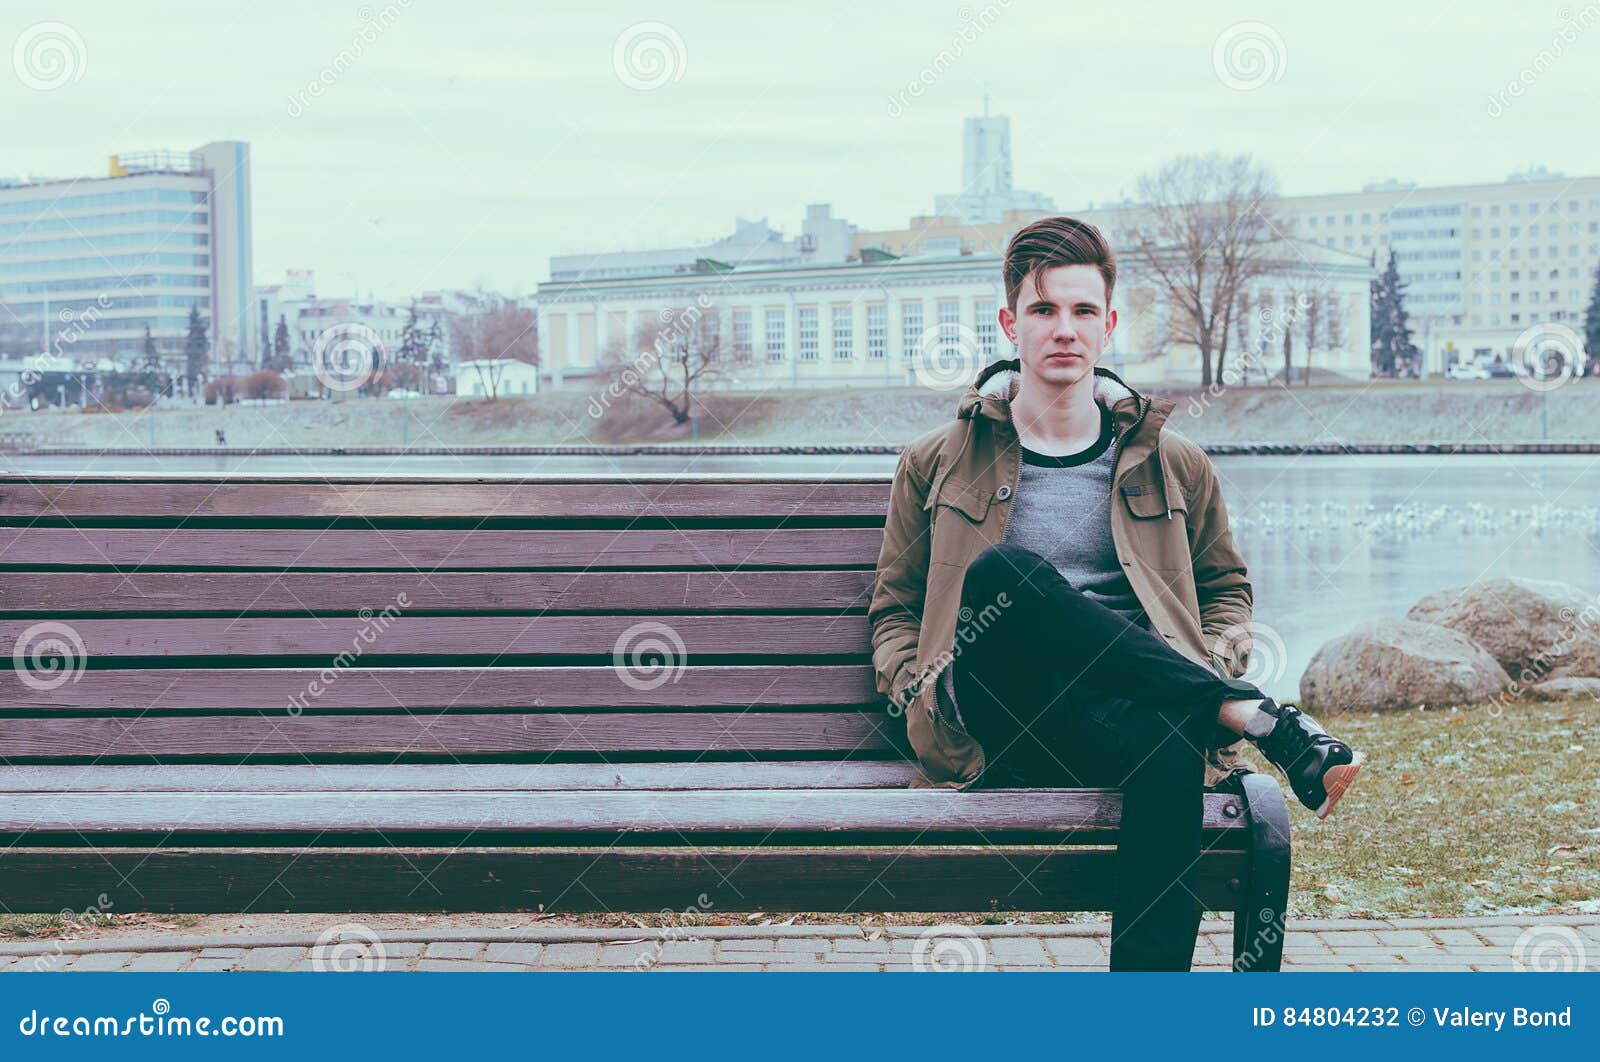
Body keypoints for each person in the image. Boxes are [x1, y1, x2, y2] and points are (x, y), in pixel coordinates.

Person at [867, 216, 1363, 972]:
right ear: (1010, 323)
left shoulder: (1176, 463)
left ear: (1109, 324)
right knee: (1005, 575)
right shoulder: (937, 460)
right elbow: (896, 608)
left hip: (1125, 716)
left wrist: (1212, 648)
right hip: (996, 716)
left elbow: (1224, 586)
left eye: (1082, 311)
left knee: (1166, 737)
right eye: (1043, 310)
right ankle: (1248, 711)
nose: (1064, 330)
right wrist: (911, 682)